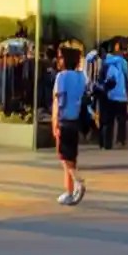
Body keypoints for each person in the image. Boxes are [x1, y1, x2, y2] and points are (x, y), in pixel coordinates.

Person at [52, 47, 87, 206]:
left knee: (64, 157)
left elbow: (59, 101)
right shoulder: (81, 77)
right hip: (76, 120)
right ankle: (69, 192)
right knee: (71, 158)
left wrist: (55, 122)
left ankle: (77, 181)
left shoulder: (61, 77)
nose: (58, 60)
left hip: (64, 120)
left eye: (60, 57)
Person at [98, 39, 128, 150]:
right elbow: (127, 78)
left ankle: (107, 143)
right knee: (121, 120)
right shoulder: (124, 62)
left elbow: (101, 78)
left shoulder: (105, 62)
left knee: (109, 121)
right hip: (122, 95)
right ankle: (120, 140)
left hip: (110, 95)